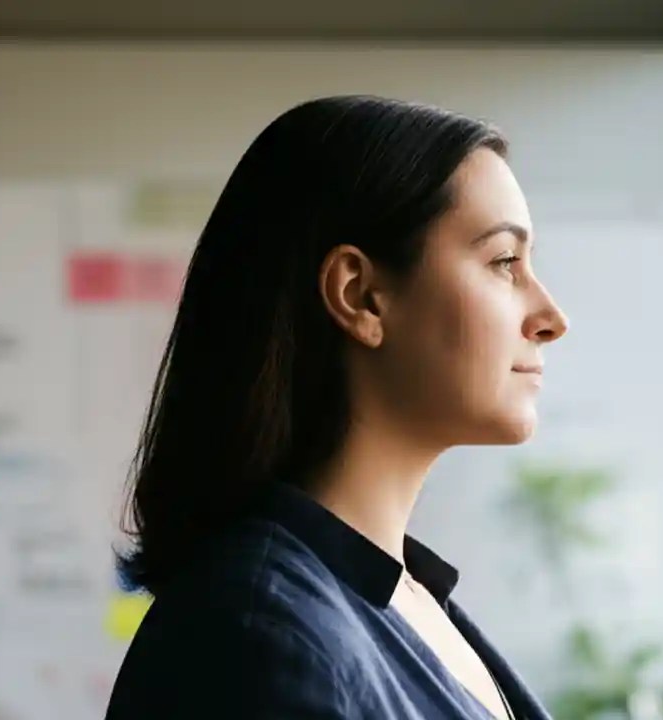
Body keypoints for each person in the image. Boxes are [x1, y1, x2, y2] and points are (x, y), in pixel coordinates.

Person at [104, 95, 568, 719]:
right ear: (361, 296)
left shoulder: (399, 601)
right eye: (504, 262)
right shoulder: (260, 637)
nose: (550, 319)